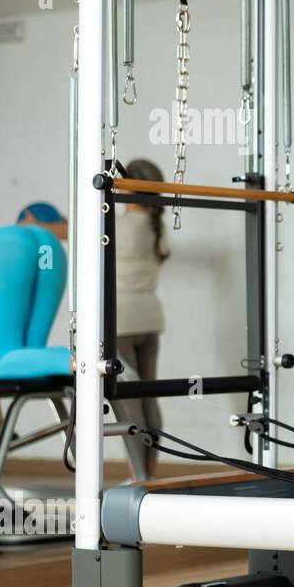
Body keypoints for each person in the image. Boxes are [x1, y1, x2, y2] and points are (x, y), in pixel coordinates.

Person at [113, 159, 171, 475]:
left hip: (122, 319)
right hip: (149, 316)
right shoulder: (155, 226)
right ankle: (149, 471)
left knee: (130, 401)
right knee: (149, 396)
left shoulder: (116, 225)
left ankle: (140, 476)